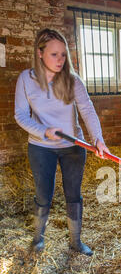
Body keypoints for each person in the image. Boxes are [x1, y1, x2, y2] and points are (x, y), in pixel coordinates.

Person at [14, 28, 110, 256]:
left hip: (73, 147)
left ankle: (75, 242)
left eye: (63, 54)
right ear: (39, 53)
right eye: (54, 54)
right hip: (41, 147)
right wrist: (44, 131)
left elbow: (87, 110)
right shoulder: (26, 79)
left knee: (73, 195)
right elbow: (20, 115)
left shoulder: (73, 81)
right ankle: (38, 239)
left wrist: (98, 139)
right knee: (43, 194)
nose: (60, 60)